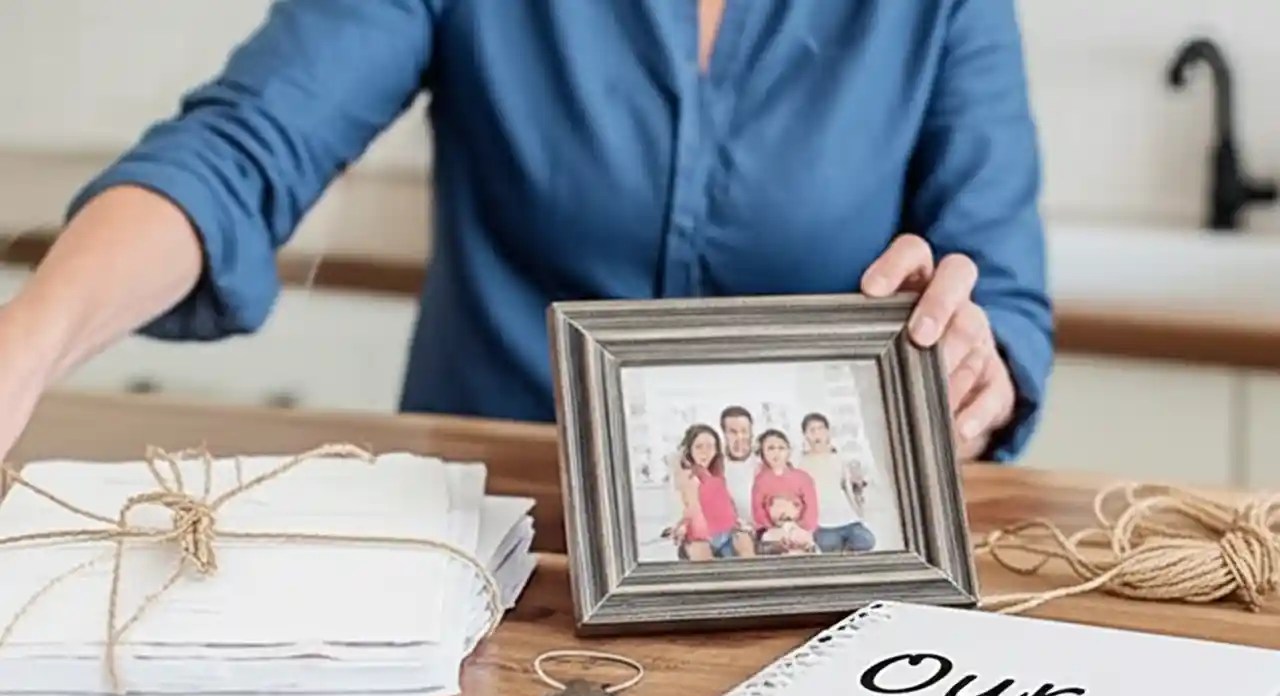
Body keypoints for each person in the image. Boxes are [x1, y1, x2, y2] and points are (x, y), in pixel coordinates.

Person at [0, 1, 1053, 464]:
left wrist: (966, 375)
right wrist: (29, 338)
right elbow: (242, 149)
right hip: (484, 551)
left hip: (804, 555)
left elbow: (997, 296)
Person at [672, 424, 755, 561]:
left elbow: (726, 504)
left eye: (710, 446)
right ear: (689, 450)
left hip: (726, 532)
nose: (704, 452)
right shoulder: (687, 476)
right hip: (701, 535)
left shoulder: (717, 477)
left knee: (745, 543)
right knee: (702, 552)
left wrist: (737, 522)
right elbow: (691, 508)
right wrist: (685, 527)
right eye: (699, 447)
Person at [798, 413, 877, 554]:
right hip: (822, 522)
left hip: (847, 518)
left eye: (820, 429)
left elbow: (850, 488)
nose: (817, 434)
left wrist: (857, 485)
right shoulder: (801, 464)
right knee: (828, 545)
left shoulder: (840, 459)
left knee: (866, 540)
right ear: (805, 435)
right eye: (812, 430)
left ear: (828, 432)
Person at [750, 430, 819, 537]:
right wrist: (772, 528)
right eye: (771, 448)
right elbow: (758, 510)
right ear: (762, 452)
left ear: (788, 451)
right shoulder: (760, 481)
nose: (776, 453)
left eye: (781, 448)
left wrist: (800, 529)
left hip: (800, 532)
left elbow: (811, 510)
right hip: (771, 533)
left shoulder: (803, 478)